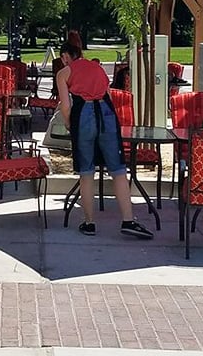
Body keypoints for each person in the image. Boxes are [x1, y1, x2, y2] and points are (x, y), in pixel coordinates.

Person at [56, 31, 153, 239]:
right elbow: (108, 94)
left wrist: (69, 123)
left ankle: (89, 222)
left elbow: (65, 106)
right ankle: (128, 220)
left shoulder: (64, 73)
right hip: (106, 112)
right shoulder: (97, 67)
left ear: (65, 56)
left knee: (86, 172)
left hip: (83, 114)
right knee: (118, 169)